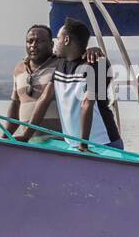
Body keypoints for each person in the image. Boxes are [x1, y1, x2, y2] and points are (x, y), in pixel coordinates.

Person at [17, 18, 123, 151]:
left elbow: (87, 103)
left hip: (104, 143)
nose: (55, 43)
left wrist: (83, 144)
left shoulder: (99, 64)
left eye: (58, 38)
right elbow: (44, 99)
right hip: (74, 145)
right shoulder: (61, 64)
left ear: (66, 40)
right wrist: (26, 136)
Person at [4, 24, 62, 139]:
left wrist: (93, 51)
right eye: (30, 41)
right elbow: (16, 104)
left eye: (40, 41)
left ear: (51, 45)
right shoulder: (19, 69)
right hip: (30, 143)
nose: (33, 45)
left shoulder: (62, 64)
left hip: (58, 143)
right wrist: (5, 136)